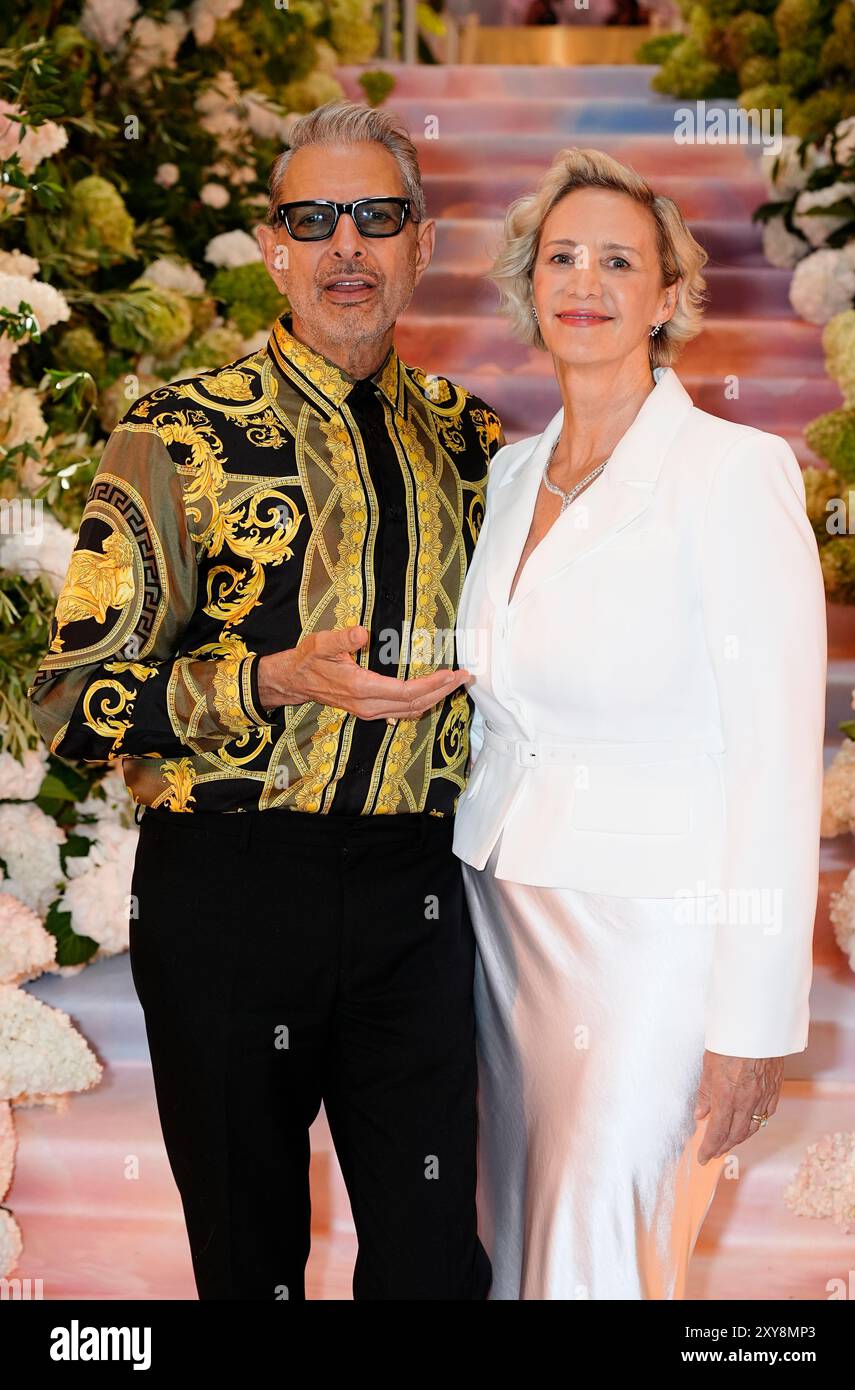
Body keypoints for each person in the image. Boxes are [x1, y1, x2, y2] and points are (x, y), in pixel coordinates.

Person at [28, 100, 506, 1301]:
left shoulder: (476, 444)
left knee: (432, 1259)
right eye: (313, 219)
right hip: (229, 891)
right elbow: (70, 701)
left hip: (416, 893)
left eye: (376, 217)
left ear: (421, 244)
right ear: (275, 247)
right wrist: (269, 678)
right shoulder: (174, 432)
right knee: (250, 1265)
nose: (346, 244)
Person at [452, 146, 827, 1299]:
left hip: (653, 937)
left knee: (600, 1246)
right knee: (516, 1232)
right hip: (497, 911)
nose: (584, 280)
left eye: (618, 260)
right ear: (527, 286)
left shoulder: (732, 473)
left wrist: (752, 1015)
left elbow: (774, 759)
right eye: (560, 255)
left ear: (666, 299)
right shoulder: (507, 476)